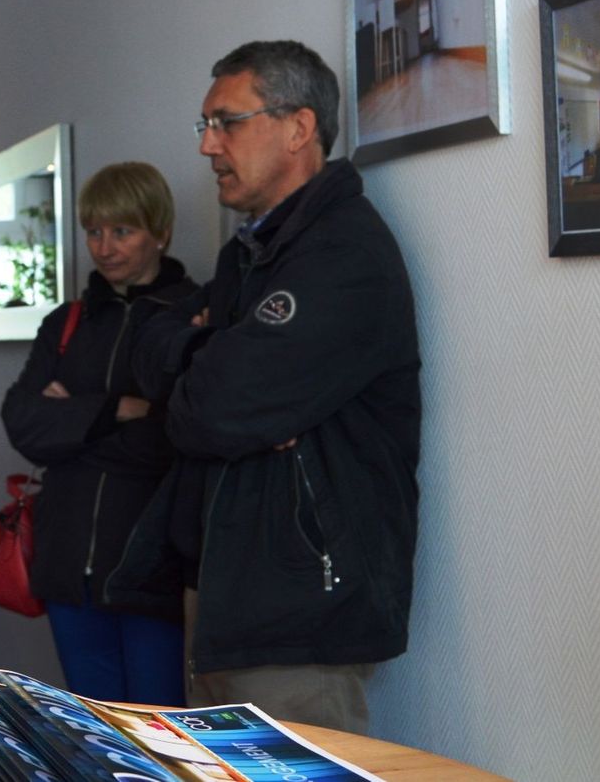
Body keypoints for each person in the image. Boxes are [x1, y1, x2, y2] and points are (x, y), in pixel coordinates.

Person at [119, 40, 420, 733]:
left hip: (298, 609)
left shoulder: (344, 254)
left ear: (298, 128)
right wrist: (211, 357)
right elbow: (165, 358)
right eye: (205, 125)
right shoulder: (250, 252)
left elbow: (211, 410)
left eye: (226, 122)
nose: (207, 146)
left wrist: (208, 375)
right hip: (231, 588)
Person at [0, 162, 196, 706]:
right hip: (67, 562)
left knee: (159, 731)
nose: (104, 248)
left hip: (154, 562)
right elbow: (23, 424)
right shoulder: (67, 322)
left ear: (160, 231)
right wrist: (120, 408)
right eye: (94, 231)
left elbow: (179, 436)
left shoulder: (195, 316)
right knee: (92, 727)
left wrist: (75, 423)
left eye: (122, 231)